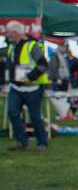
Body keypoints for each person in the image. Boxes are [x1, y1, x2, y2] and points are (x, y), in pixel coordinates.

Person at [4, 21, 49, 151]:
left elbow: (43, 65)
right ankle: (21, 142)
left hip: (33, 88)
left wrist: (30, 77)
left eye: (10, 34)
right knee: (13, 113)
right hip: (16, 87)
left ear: (17, 33)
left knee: (35, 116)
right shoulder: (12, 47)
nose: (7, 36)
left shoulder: (33, 46)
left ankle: (42, 143)